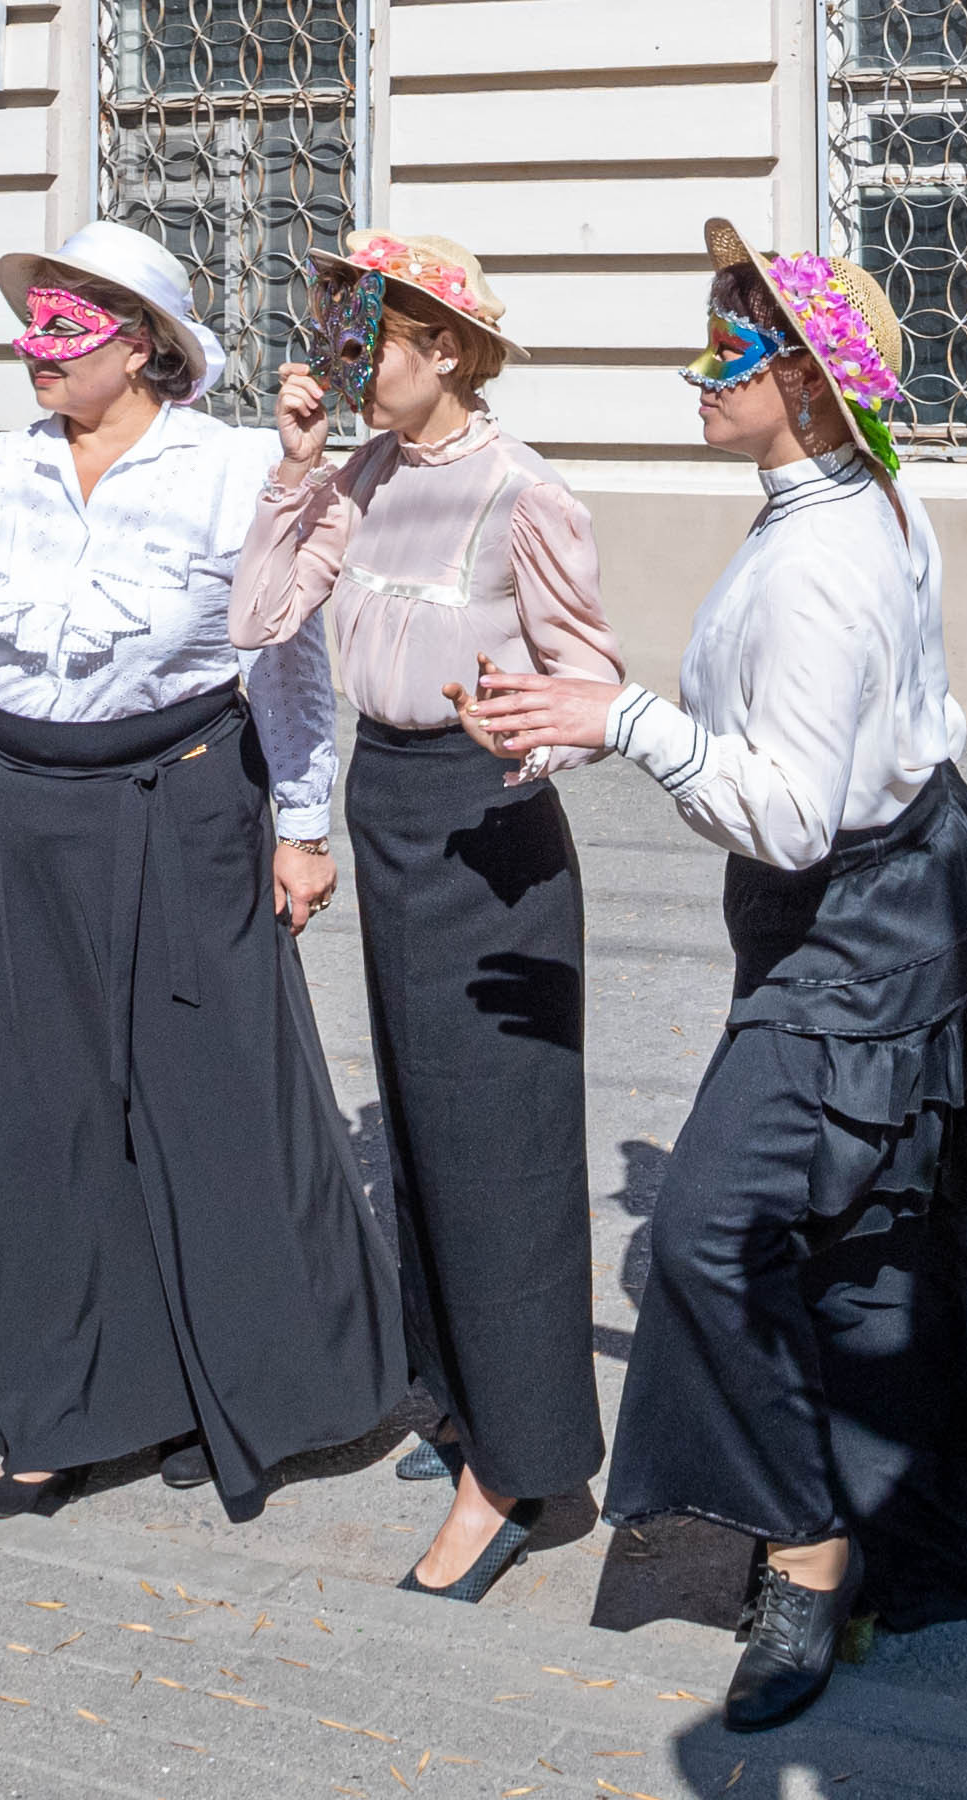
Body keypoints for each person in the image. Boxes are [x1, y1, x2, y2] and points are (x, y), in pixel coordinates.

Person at [463, 225, 967, 1735]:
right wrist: (584, 715)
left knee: (714, 1236)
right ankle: (923, 1530)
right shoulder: (842, 499)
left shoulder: (823, 560)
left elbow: (788, 812)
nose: (698, 365)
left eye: (730, 342)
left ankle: (813, 1548)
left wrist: (623, 722)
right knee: (885, 1240)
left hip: (865, 924)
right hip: (899, 895)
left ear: (798, 377)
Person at [0, 219, 400, 1521]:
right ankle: (59, 1416)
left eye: (64, 325)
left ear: (146, 347)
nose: (31, 346)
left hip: (186, 800)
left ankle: (244, 1390)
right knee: (39, 1106)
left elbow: (284, 656)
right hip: (19, 807)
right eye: (30, 319)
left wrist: (303, 821)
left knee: (211, 1093)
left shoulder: (226, 471)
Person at [234, 229, 617, 1603]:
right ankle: (460, 1399)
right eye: (338, 332)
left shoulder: (524, 492)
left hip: (491, 819)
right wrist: (294, 468)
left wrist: (522, 733)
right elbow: (261, 614)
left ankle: (520, 1469)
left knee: (500, 1144)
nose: (344, 356)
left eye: (366, 337)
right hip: (393, 803)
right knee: (427, 1128)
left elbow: (592, 680)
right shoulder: (359, 475)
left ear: (440, 349)